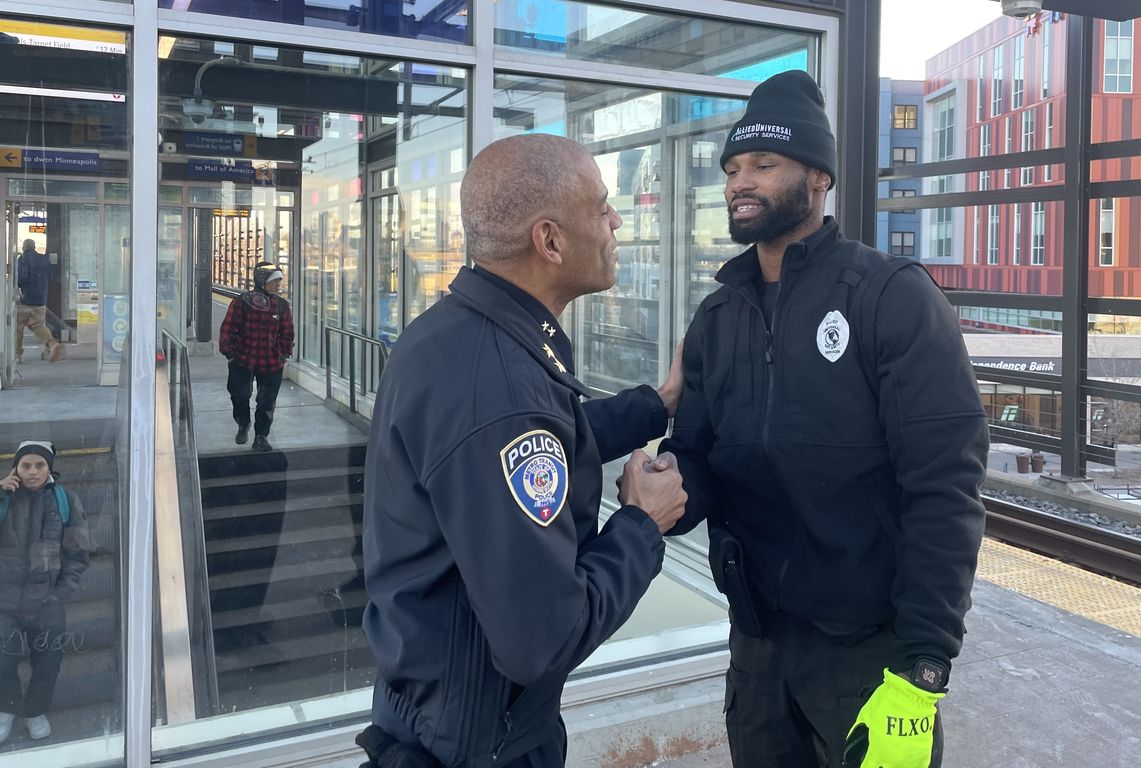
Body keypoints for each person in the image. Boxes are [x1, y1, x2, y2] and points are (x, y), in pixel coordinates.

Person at [660, 70, 989, 768]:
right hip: (758, 645)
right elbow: (700, 456)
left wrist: (926, 663)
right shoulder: (719, 316)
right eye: (732, 168)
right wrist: (663, 488)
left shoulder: (889, 298)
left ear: (818, 178)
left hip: (872, 652)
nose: (739, 182)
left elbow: (945, 485)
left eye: (762, 165)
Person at [358, 133, 688, 768]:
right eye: (601, 208)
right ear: (550, 240)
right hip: (482, 747)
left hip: (432, 718)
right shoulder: (501, 388)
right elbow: (543, 636)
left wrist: (657, 405)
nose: (616, 221)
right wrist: (642, 524)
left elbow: (542, 441)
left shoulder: (454, 334)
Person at [0, 441, 92, 743]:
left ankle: (34, 710)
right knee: (1, 660)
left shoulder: (65, 500)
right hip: (4, 601)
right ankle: (7, 707)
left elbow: (78, 552)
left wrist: (59, 595)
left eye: (40, 465)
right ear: (16, 467)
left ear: (49, 467)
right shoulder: (4, 496)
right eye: (26, 465)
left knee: (49, 661)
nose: (33, 472)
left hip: (47, 602)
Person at [219, 262, 295, 452]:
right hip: (242, 362)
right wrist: (230, 354)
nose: (278, 285)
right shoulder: (241, 302)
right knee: (239, 395)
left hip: (271, 363)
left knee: (266, 401)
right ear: (262, 281)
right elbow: (228, 329)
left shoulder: (282, 306)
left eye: (279, 281)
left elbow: (287, 333)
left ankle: (261, 437)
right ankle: (243, 423)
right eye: (274, 281)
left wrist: (282, 354)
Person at [14, 240, 62, 364]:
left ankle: (17, 355)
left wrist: (17, 284)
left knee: (18, 328)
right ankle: (52, 344)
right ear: (34, 247)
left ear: (24, 247)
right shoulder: (44, 259)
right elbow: (51, 277)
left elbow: (22, 279)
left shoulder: (22, 259)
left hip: (25, 300)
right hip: (41, 301)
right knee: (38, 325)